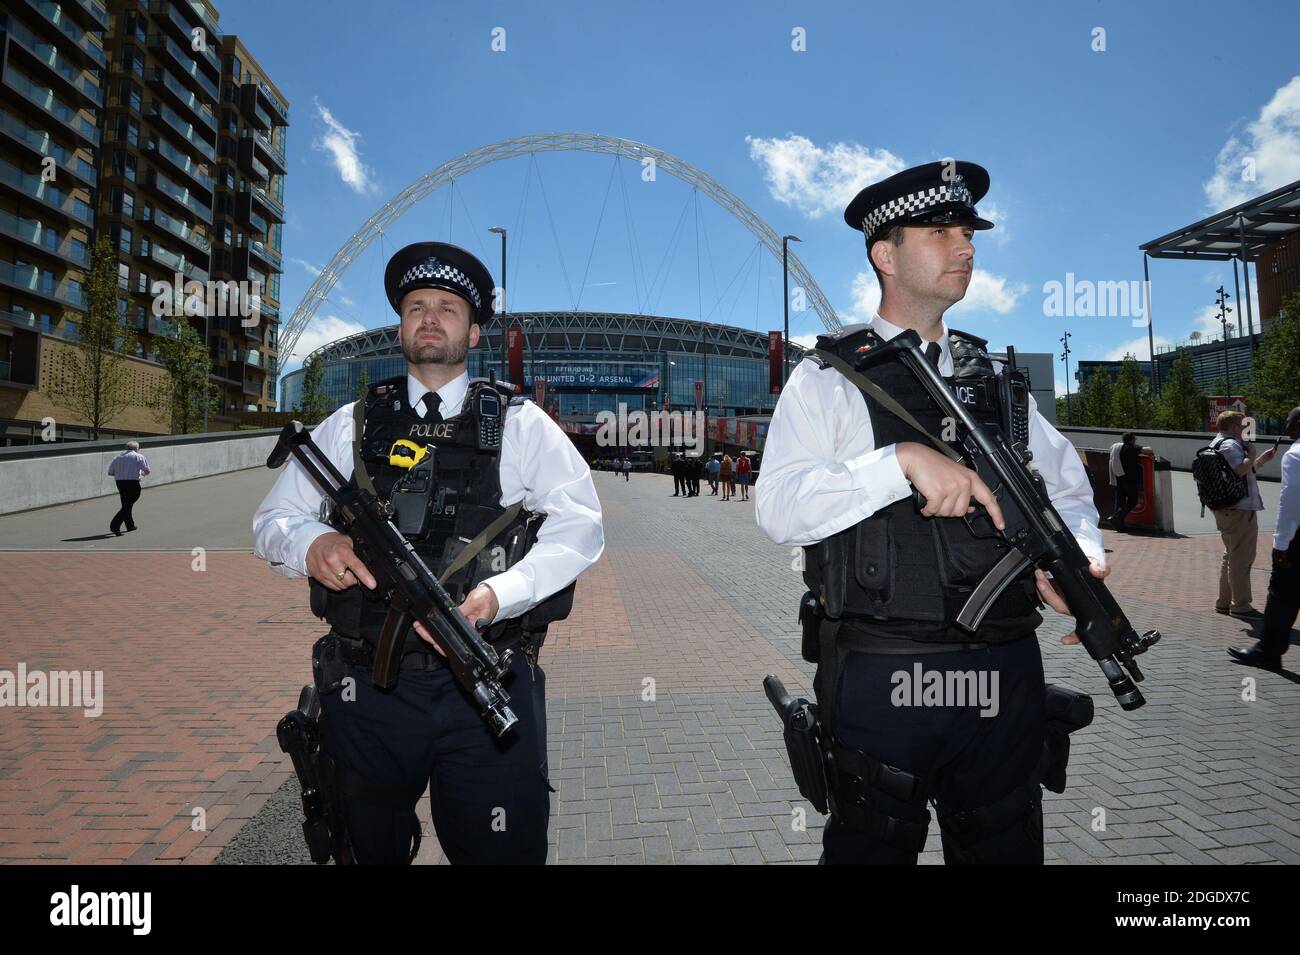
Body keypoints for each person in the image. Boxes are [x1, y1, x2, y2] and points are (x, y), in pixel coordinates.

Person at [756, 160, 1108, 865]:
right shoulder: (830, 376)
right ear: (885, 255)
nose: (965, 247)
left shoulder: (999, 381)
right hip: (887, 673)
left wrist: (1082, 556)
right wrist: (896, 464)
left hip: (1006, 671)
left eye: (969, 232)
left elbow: (1068, 488)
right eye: (941, 230)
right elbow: (779, 506)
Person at [252, 241, 604, 865]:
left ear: (473, 333)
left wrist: (502, 593)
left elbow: (581, 526)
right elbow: (274, 519)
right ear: (400, 327)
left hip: (488, 676)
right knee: (362, 848)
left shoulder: (520, 423)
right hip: (366, 688)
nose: (431, 317)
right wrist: (313, 542)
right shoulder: (351, 423)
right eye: (418, 306)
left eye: (448, 307)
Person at [1229, 406, 1300, 670]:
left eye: (1289, 421)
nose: (1286, 425)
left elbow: (1291, 504)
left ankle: (1268, 652)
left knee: (1282, 594)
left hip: (1297, 539)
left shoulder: (1295, 455)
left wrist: (1281, 544)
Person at [1211, 410, 1276, 621]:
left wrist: (1260, 460)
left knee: (1230, 554)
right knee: (1241, 558)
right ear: (1233, 427)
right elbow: (1240, 470)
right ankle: (1241, 605)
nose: (1245, 428)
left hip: (1225, 507)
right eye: (1242, 425)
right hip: (1239, 509)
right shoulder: (1231, 445)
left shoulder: (1217, 444)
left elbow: (1240, 471)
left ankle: (1224, 601)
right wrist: (1252, 453)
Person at [107, 440, 150, 536]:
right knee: (127, 505)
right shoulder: (139, 456)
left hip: (120, 483)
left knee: (126, 504)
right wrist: (141, 474)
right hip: (133, 483)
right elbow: (146, 471)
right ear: (136, 448)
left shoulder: (117, 457)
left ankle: (130, 525)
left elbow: (110, 473)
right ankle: (115, 525)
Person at [1107, 433, 1143, 530]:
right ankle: (1116, 518)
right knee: (1132, 501)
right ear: (1132, 440)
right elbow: (1147, 450)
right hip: (1130, 479)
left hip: (1119, 477)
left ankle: (1119, 525)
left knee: (1120, 501)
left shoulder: (1118, 448)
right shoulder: (1132, 448)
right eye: (1135, 438)